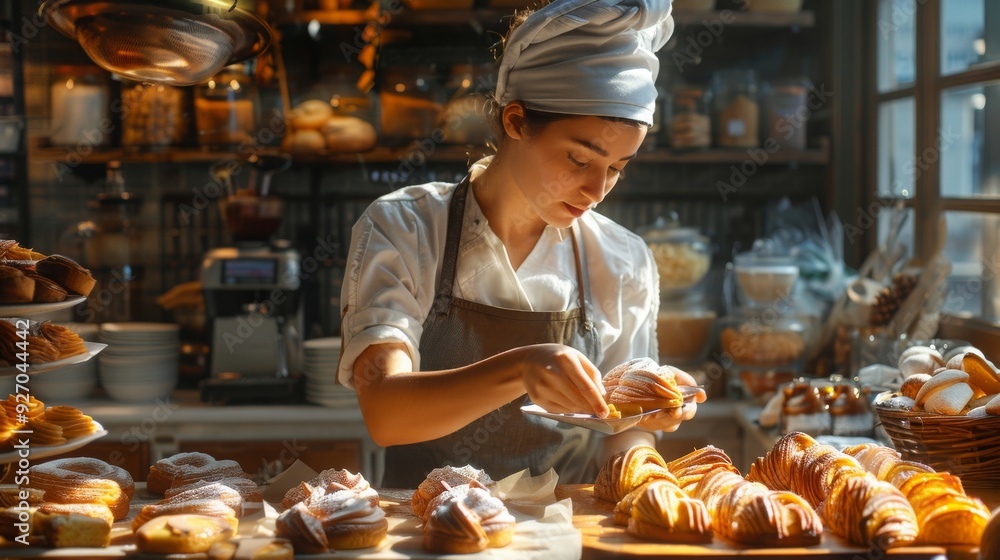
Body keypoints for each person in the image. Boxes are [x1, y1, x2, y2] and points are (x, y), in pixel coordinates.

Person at [338, 0, 705, 489]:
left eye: (617, 168)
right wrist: (523, 367)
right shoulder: (405, 227)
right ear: (514, 121)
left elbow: (622, 438)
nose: (597, 191)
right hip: (429, 533)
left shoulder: (622, 259)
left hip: (564, 531)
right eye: (579, 159)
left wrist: (644, 417)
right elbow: (385, 411)